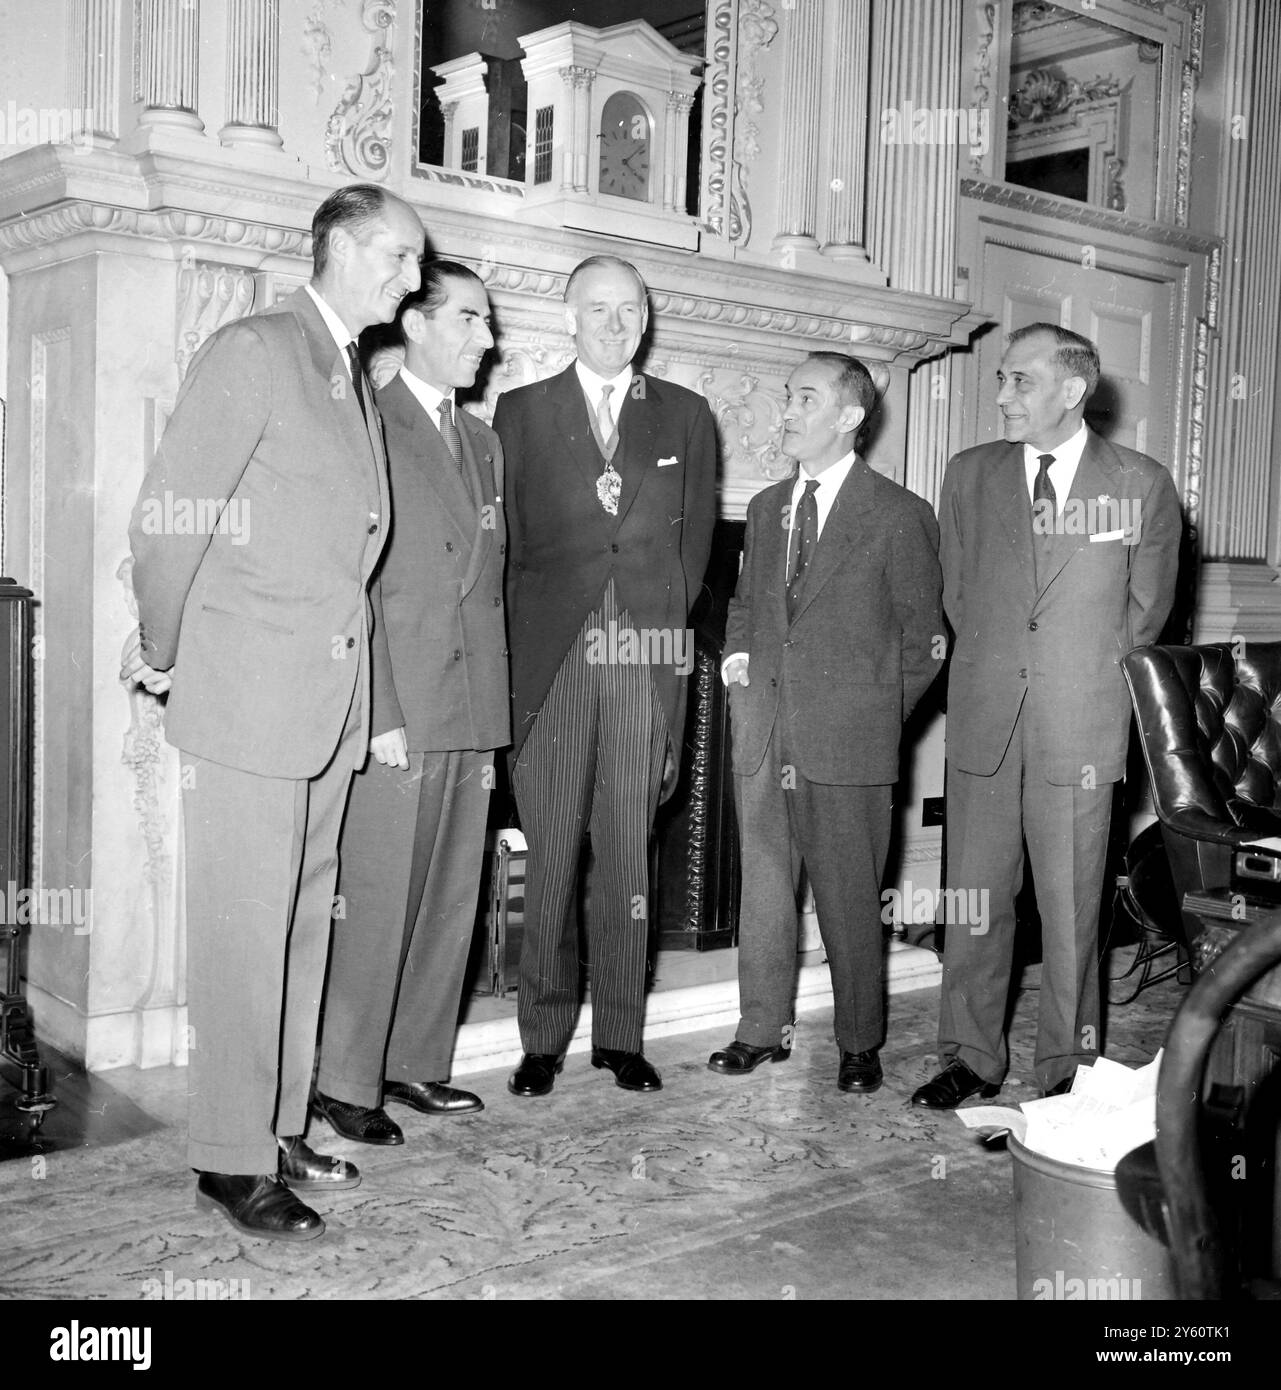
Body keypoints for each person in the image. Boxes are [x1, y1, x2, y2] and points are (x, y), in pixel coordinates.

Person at [124, 184, 424, 1239]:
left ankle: (278, 1124)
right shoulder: (257, 349)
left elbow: (350, 562)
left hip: (324, 704)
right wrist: (163, 651)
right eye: (397, 256)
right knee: (246, 937)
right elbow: (168, 519)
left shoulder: (346, 372)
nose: (414, 279)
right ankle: (227, 1158)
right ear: (340, 246)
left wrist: (368, 703)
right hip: (249, 698)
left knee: (301, 929)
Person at [913, 323, 1181, 1108]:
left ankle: (1066, 1067)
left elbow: (1144, 615)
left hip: (1080, 727)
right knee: (974, 898)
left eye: (1019, 381)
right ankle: (969, 1055)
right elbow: (958, 596)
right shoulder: (968, 476)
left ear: (1072, 389)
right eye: (1000, 379)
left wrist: (1073, 681)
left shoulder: (1138, 483)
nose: (1001, 396)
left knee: (1071, 911)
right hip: (987, 721)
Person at [493, 255, 717, 1097]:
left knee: (627, 852)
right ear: (569, 317)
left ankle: (620, 1035)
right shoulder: (518, 413)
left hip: (639, 660)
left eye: (630, 310)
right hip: (551, 660)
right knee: (549, 855)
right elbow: (504, 547)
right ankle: (542, 1038)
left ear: (646, 320)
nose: (615, 324)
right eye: (598, 309)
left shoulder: (686, 417)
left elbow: (692, 554)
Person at [708, 353, 943, 1092]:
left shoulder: (900, 515)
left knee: (847, 896)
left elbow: (925, 640)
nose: (786, 410)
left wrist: (875, 716)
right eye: (785, 395)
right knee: (765, 888)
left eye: (803, 397)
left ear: (848, 416)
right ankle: (760, 1028)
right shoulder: (766, 506)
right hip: (766, 729)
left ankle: (857, 1043)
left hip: (851, 742)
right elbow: (746, 603)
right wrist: (740, 656)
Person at [310, 261, 506, 1145]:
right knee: (379, 896)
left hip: (469, 708)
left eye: (486, 322)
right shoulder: (368, 422)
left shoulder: (485, 441)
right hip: (399, 706)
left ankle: (414, 1063)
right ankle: (344, 1081)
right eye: (468, 319)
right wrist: (380, 707)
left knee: (448, 898)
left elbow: (488, 587)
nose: (485, 339)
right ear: (417, 326)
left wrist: (493, 723)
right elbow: (358, 583)